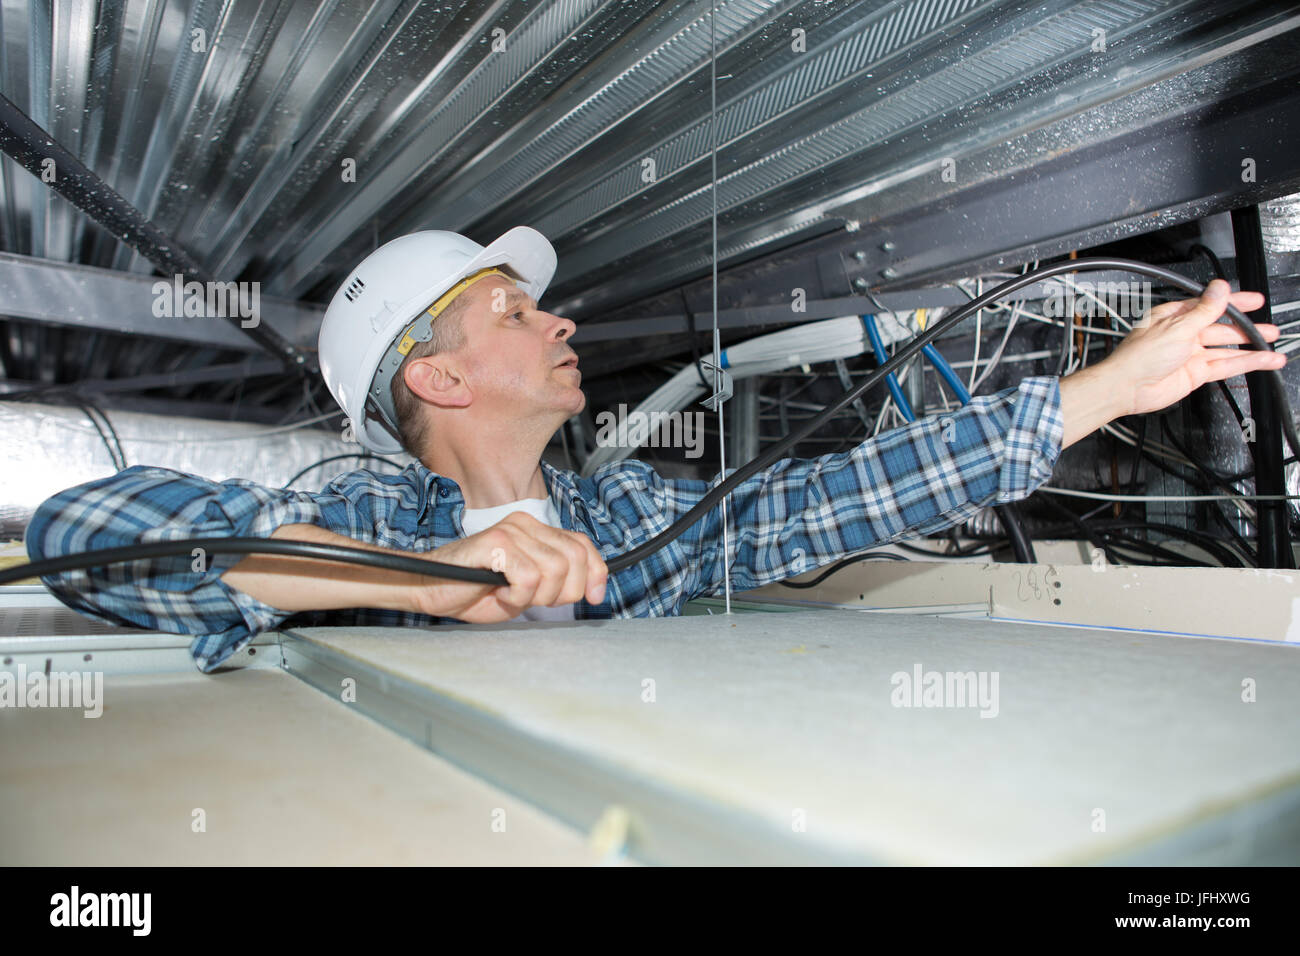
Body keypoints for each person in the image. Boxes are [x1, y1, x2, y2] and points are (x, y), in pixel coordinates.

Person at [24, 227, 1282, 672]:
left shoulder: (626, 512)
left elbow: (832, 496)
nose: (561, 317)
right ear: (438, 378)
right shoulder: (354, 500)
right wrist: (426, 573)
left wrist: (1104, 390)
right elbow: (86, 529)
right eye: (515, 310)